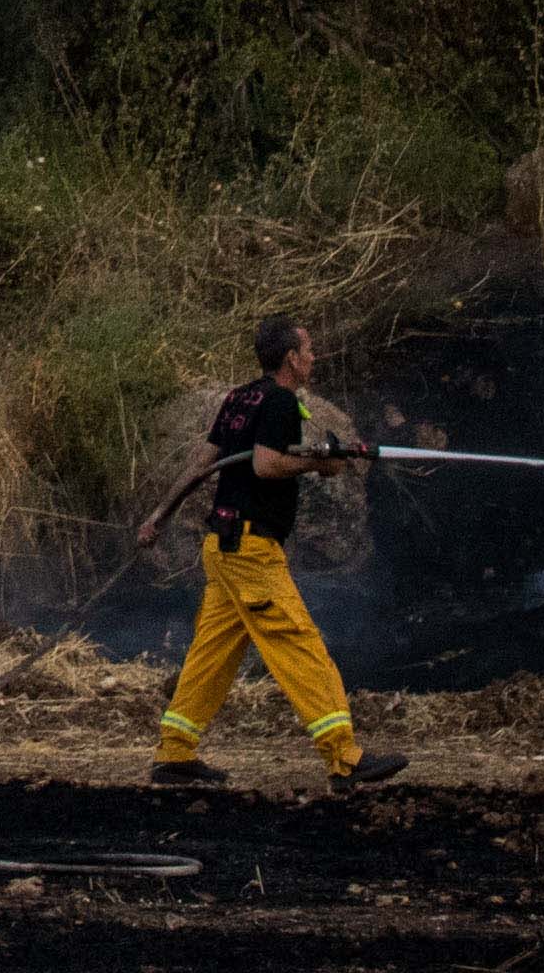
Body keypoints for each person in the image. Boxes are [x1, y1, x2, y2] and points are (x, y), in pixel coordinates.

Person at [148, 314, 406, 789]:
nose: (314, 357)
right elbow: (267, 465)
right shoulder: (283, 400)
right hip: (249, 549)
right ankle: (344, 756)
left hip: (221, 546)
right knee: (298, 642)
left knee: (214, 651)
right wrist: (320, 462)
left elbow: (201, 465)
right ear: (290, 358)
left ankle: (175, 752)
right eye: (308, 350)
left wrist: (158, 516)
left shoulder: (240, 398)